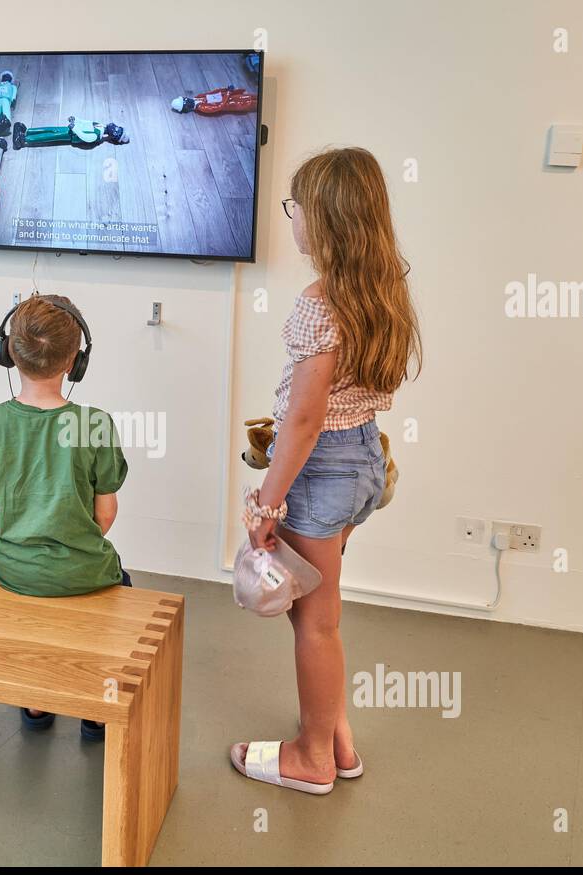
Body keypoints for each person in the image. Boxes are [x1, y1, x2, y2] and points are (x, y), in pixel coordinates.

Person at [231, 147, 423, 794]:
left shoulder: (321, 303)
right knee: (321, 608)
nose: (293, 220)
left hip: (323, 469)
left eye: (297, 207)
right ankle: (336, 738)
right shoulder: (384, 284)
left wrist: (267, 506)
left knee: (313, 618)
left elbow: (306, 422)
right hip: (365, 462)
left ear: (327, 219)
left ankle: (311, 755)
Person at [0, 294, 128, 741]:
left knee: (38, 601)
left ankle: (36, 703)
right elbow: (105, 517)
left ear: (8, 353)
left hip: (14, 570)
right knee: (116, 592)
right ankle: (95, 712)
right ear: (76, 361)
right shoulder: (94, 424)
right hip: (83, 570)